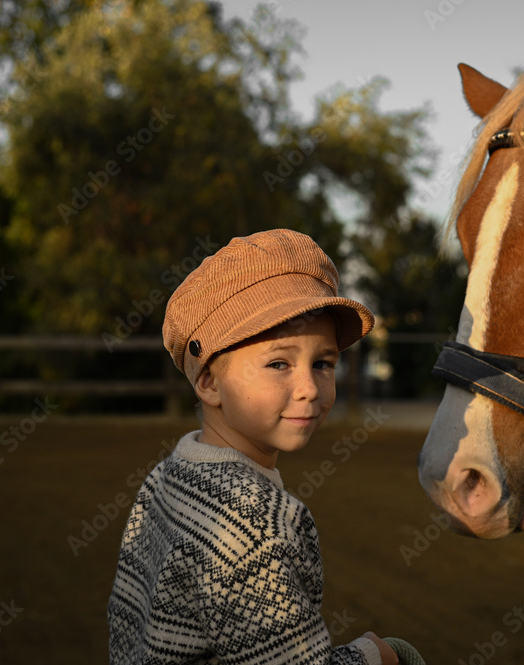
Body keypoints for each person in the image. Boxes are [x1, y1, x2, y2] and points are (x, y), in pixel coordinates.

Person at [108, 229, 398, 665]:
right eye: (278, 363)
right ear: (209, 381)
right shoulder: (255, 523)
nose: (308, 388)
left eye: (322, 363)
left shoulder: (167, 477)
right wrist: (377, 655)